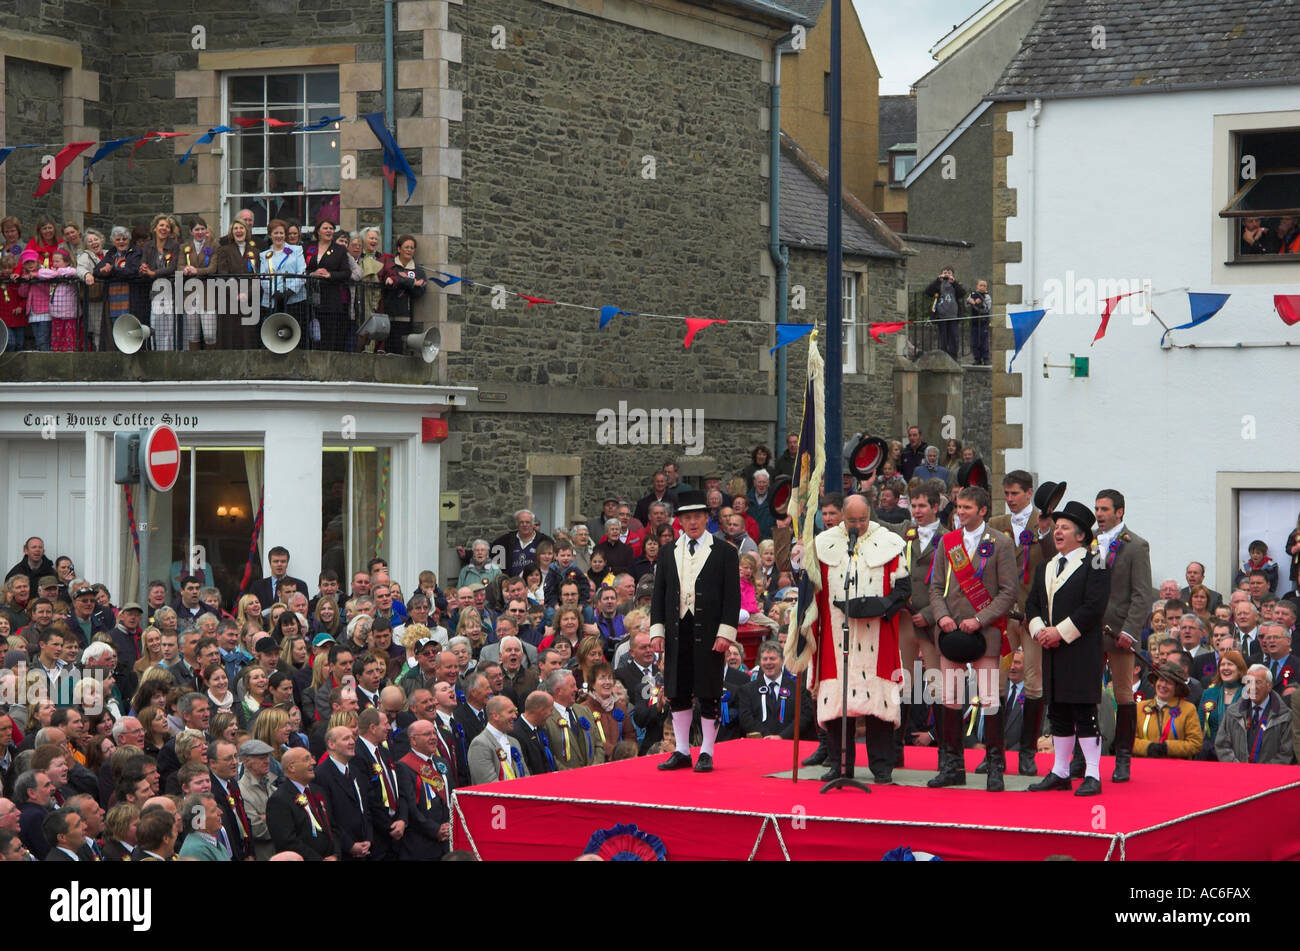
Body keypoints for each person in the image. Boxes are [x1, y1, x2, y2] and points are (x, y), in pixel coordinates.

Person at [924, 485, 1016, 790]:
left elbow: (1008, 592)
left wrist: (980, 619)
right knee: (949, 699)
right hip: (951, 632)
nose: (960, 512)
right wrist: (942, 616)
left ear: (983, 510)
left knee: (989, 699)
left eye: (967, 508)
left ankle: (995, 766)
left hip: (984, 632)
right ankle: (951, 765)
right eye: (959, 507)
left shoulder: (1001, 543)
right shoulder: (947, 542)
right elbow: (935, 587)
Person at [1021, 500, 1112, 796]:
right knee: (1057, 711)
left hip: (1081, 648)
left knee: (1083, 711)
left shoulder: (1095, 562)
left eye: (1064, 527)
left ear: (1081, 535)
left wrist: (1059, 632)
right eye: (1056, 526)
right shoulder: (1046, 566)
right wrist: (1039, 631)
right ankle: (1060, 771)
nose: (1057, 531)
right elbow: (1032, 604)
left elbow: (1094, 607)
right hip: (1051, 648)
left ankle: (1093, 774)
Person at [650, 490, 741, 773]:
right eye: (687, 518)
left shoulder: (725, 551)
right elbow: (659, 594)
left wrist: (726, 632)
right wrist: (657, 631)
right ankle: (680, 750)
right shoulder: (668, 552)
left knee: (709, 691)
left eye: (698, 517)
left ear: (706, 518)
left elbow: (732, 596)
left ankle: (707, 751)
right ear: (680, 521)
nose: (693, 522)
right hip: (677, 629)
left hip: (711, 631)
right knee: (677, 690)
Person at [986, 472, 1057, 775]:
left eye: (1015, 493)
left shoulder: (1046, 523)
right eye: (1006, 493)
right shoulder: (996, 525)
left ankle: (1027, 752)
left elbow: (1056, 563)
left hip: (1032, 614)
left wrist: (1044, 534)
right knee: (997, 683)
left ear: (1029, 493)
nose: (1010, 499)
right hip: (1002, 614)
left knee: (1033, 682)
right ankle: (995, 753)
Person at [1094, 489, 1153, 783]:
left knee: (1123, 694)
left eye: (1104, 509)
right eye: (1097, 509)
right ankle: (1087, 754)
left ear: (1120, 512)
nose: (1099, 514)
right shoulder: (1089, 541)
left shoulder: (1136, 546)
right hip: (1090, 631)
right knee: (1088, 693)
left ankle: (1123, 757)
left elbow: (1142, 595)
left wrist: (1130, 630)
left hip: (1120, 632)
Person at [393, 719, 451, 860]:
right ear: (413, 740)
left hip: (447, 840)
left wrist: (450, 824)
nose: (433, 737)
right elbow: (411, 807)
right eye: (427, 734)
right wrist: (435, 830)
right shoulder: (404, 766)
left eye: (434, 733)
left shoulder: (441, 763)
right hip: (421, 844)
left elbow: (451, 796)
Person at [266, 747, 338, 860]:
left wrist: (335, 855)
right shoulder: (279, 800)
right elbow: (287, 841)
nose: (313, 762)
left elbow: (333, 827)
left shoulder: (318, 791)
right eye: (306, 759)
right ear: (291, 767)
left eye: (312, 758)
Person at [314, 725, 373, 861]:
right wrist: (349, 845)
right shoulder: (321, 776)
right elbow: (328, 817)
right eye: (346, 738)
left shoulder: (356, 771)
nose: (352, 742)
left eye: (352, 738)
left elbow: (366, 808)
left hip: (365, 849)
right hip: (343, 852)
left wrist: (368, 839)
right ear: (331, 744)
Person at [737, 641, 814, 740]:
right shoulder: (747, 690)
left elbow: (804, 716)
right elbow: (746, 718)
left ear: (782, 660)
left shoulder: (798, 688)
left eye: (772, 659)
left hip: (789, 743)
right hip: (760, 744)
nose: (768, 662)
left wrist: (782, 736)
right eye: (765, 659)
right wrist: (766, 736)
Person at [1130, 663, 1203, 761]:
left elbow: (1195, 744)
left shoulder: (1188, 709)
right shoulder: (1139, 707)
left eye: (1169, 682)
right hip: (1144, 767)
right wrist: (1148, 747)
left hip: (1177, 769)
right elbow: (1128, 741)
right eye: (1161, 680)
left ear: (1177, 687)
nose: (1163, 685)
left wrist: (1167, 748)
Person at [376, 234, 427, 354]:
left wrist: (403, 282)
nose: (409, 250)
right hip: (386, 314)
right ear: (399, 249)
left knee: (400, 350)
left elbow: (419, 292)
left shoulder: (418, 270)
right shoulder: (390, 265)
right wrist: (412, 282)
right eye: (407, 247)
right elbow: (389, 283)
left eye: (412, 248)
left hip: (405, 317)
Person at [541, 669, 596, 770]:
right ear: (558, 691)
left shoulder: (584, 710)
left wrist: (596, 767)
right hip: (566, 780)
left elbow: (598, 743)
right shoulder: (546, 719)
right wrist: (570, 774)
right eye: (572, 686)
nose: (576, 689)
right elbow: (549, 755)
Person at [467, 695, 528, 783]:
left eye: (514, 712)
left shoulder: (514, 742)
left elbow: (526, 776)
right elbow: (488, 785)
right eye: (510, 712)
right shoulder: (480, 744)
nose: (515, 716)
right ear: (495, 716)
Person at [510, 690, 554, 775]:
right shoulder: (516, 734)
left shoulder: (542, 730)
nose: (551, 714)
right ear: (541, 710)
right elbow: (524, 769)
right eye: (550, 710)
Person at [966, 278, 992, 364]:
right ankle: (977, 358)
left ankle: (986, 358)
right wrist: (971, 302)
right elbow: (966, 305)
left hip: (983, 322)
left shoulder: (987, 296)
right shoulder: (972, 295)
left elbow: (987, 309)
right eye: (981, 285)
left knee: (984, 341)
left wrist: (977, 303)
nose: (982, 287)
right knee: (974, 341)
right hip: (974, 322)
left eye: (984, 286)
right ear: (977, 286)